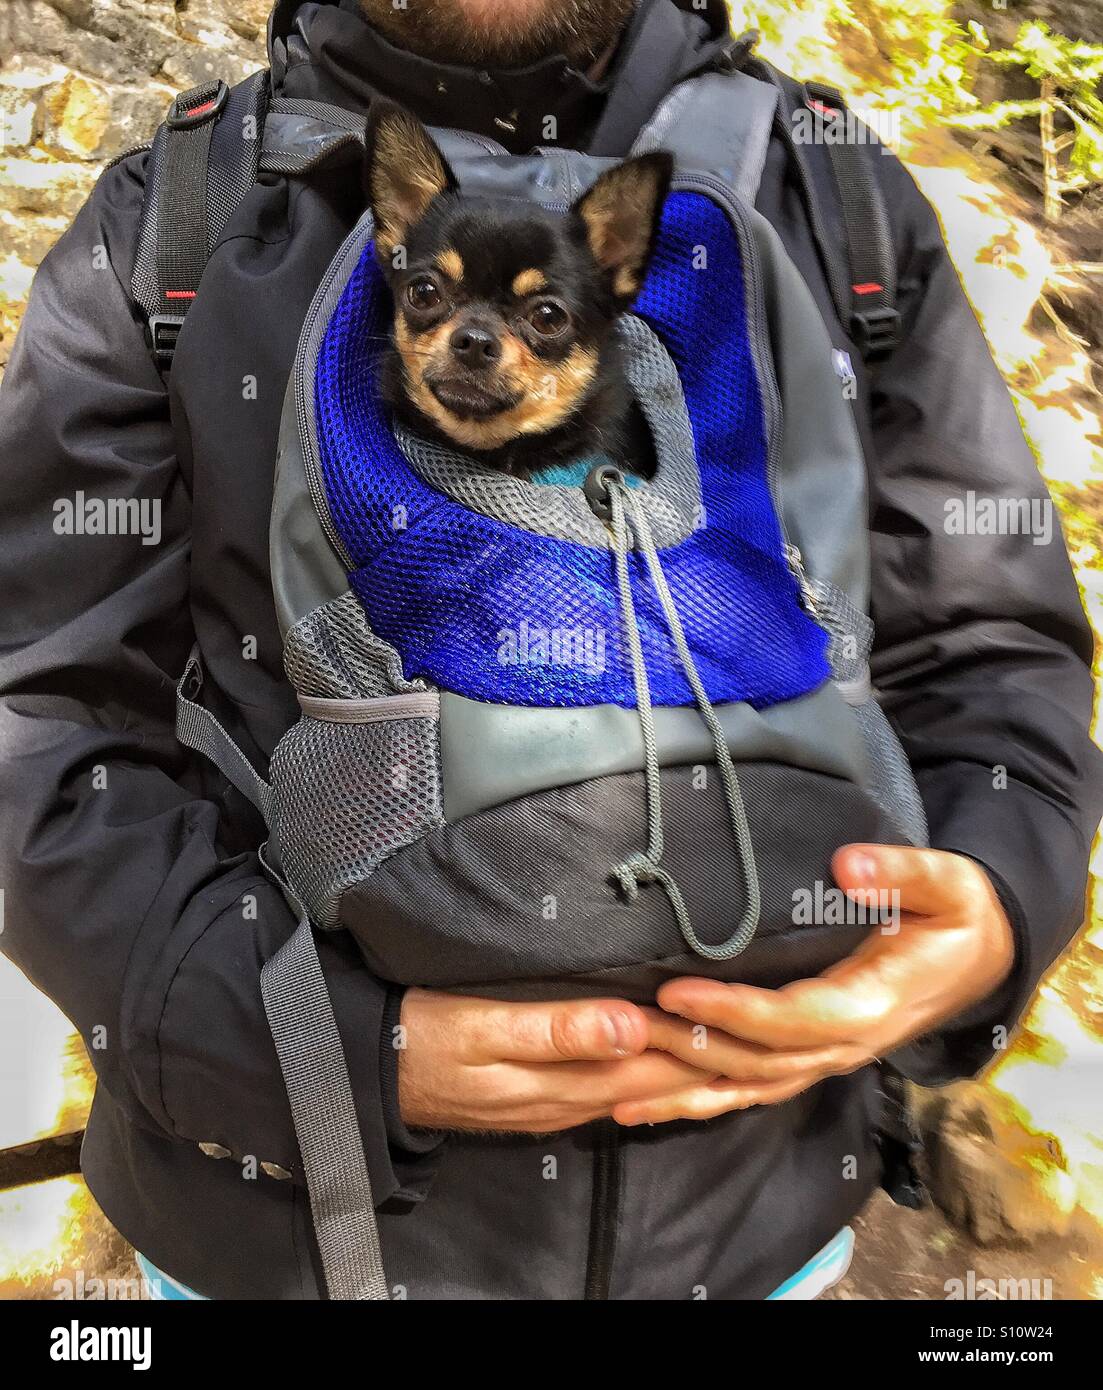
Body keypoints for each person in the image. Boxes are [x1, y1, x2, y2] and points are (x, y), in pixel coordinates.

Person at [0, 0, 1099, 1301]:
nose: (479, 343)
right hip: (275, 1236)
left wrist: (987, 902)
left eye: (535, 323)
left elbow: (989, 648)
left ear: (616, 283)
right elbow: (39, 716)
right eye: (436, 305)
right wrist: (314, 1045)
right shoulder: (177, 219)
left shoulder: (833, 193)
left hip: (761, 1230)